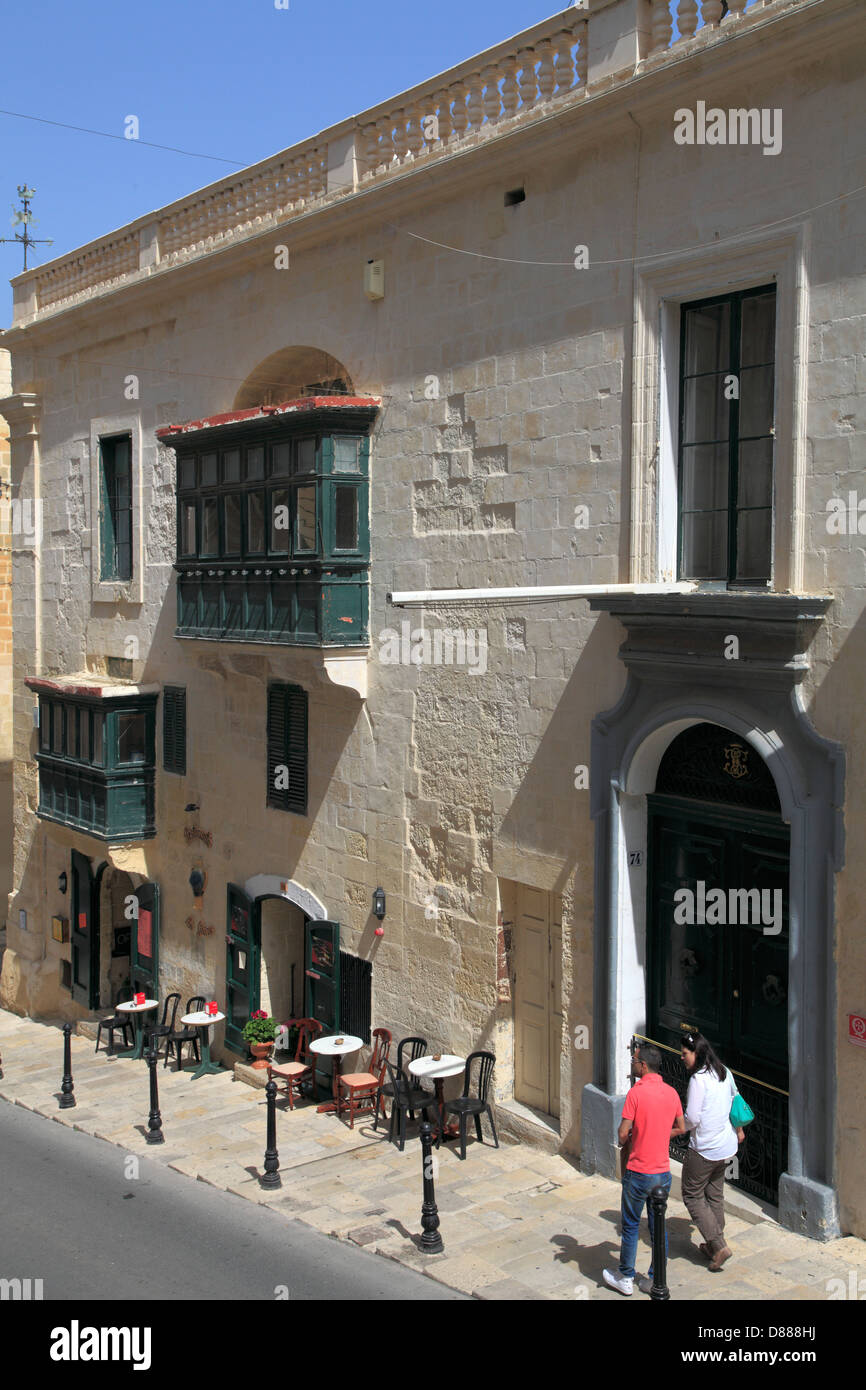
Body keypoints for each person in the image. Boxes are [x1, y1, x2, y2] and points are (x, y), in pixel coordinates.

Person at [603, 1043, 685, 1296]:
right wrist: (660, 1134)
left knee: (630, 1225)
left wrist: (631, 1138)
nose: (633, 1063)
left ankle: (626, 1276)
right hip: (662, 1172)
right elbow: (681, 1127)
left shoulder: (636, 1094)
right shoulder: (671, 1093)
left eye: (635, 1061)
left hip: (639, 1171)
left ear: (644, 1066)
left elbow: (622, 1131)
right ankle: (655, 1277)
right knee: (657, 1227)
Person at [679, 1029, 744, 1272]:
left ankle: (718, 1245)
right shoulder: (723, 1072)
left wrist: (677, 1128)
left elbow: (693, 1117)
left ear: (697, 1053)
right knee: (715, 1194)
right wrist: (737, 1130)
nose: (682, 1057)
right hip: (726, 1146)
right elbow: (735, 1098)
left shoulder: (698, 1080)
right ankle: (714, 1241)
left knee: (692, 1194)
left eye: (685, 1053)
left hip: (704, 1149)